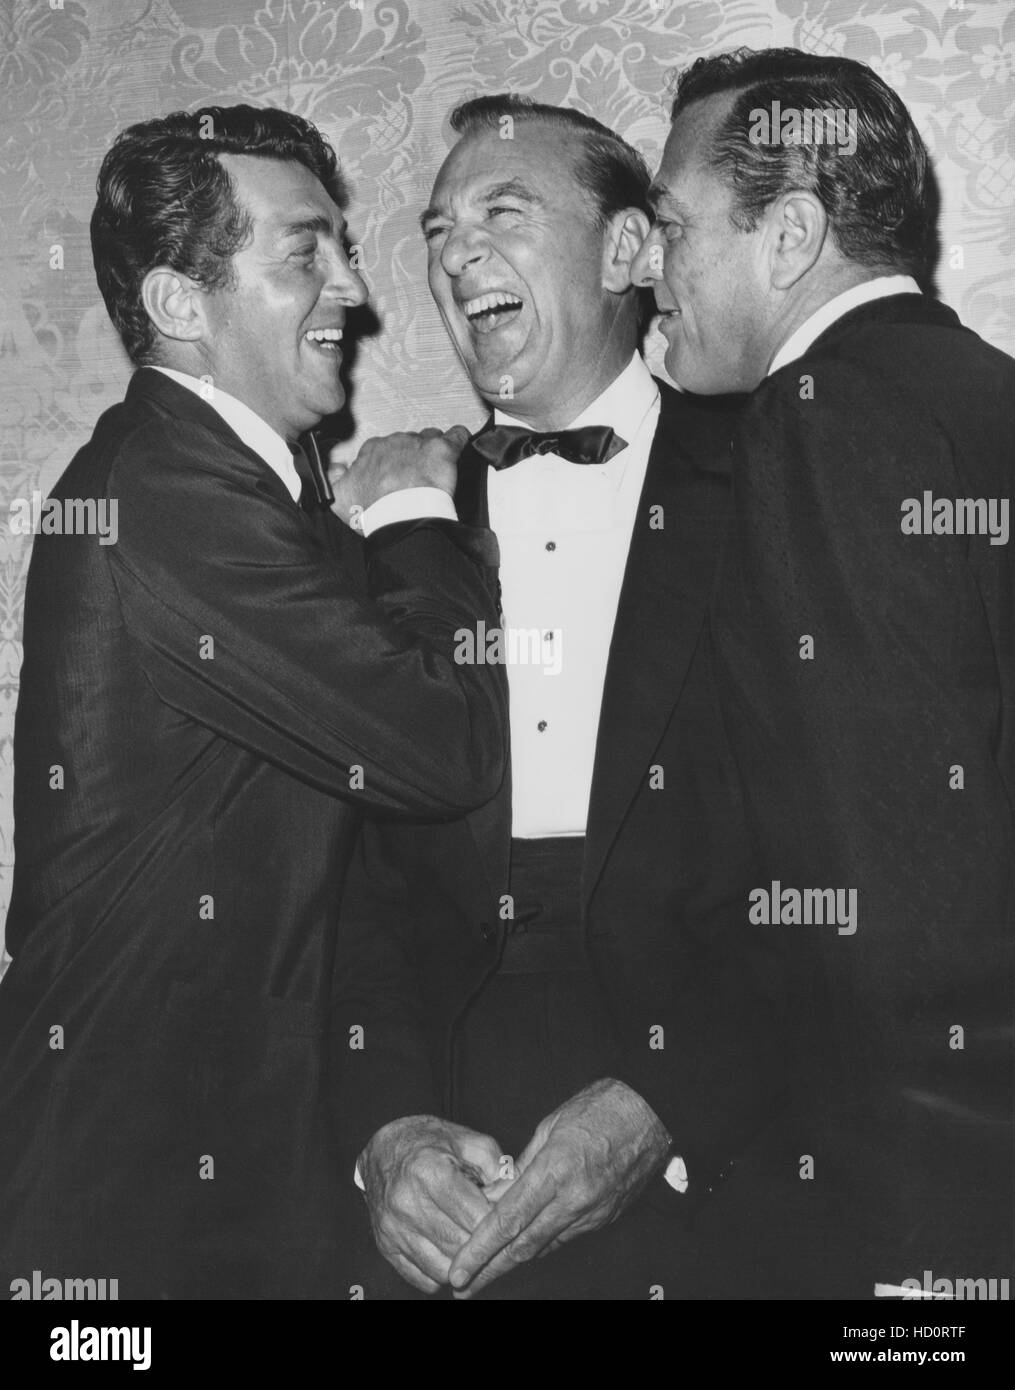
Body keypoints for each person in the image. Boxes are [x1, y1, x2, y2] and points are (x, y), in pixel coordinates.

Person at [0, 103, 508, 1300]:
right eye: (305, 253)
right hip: (126, 1198)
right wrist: (416, 516)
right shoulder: (169, 490)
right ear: (182, 306)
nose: (355, 286)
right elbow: (440, 748)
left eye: (342, 244)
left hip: (227, 1165)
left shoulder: (244, 490)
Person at [333, 95, 790, 1300]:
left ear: (630, 249)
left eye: (503, 211)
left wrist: (672, 1101)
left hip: (713, 1162)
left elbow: (857, 866)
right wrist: (384, 1133)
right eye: (438, 227)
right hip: (443, 1162)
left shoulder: (775, 480)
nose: (452, 252)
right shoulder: (394, 525)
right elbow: (351, 886)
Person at [632, 47, 1015, 1295]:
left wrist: (918, 1271)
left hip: (908, 1217)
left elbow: (891, 905)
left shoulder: (822, 416)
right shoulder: (976, 395)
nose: (646, 262)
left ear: (788, 233)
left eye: (673, 225)